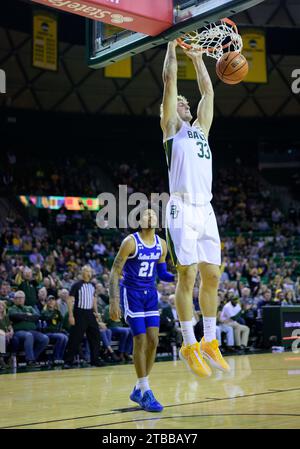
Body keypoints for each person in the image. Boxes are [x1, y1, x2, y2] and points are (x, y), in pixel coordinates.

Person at [160, 40, 230, 377]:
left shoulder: (201, 130)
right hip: (182, 209)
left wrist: (199, 59)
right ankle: (188, 343)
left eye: (187, 104)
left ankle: (210, 341)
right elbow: (170, 82)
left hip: (206, 209)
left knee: (212, 275)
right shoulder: (172, 130)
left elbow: (209, 94)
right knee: (186, 274)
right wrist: (172, 48)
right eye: (179, 104)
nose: (185, 104)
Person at [109, 208, 175, 412]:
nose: (149, 216)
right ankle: (145, 389)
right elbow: (115, 271)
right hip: (131, 293)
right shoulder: (130, 242)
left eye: (152, 214)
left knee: (154, 340)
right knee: (141, 339)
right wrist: (113, 301)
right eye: (145, 215)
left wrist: (178, 276)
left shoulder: (161, 244)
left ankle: (139, 388)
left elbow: (162, 273)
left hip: (150, 294)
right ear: (139, 221)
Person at [64, 265, 104, 368]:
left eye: (90, 272)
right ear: (82, 273)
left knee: (96, 336)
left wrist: (97, 314)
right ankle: (68, 361)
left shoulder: (92, 286)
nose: (89, 274)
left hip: (90, 313)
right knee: (75, 338)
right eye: (86, 271)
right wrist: (71, 315)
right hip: (79, 313)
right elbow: (70, 300)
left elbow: (94, 300)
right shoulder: (76, 285)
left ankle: (95, 359)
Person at [8, 291, 49, 367]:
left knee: (45, 338)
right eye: (18, 298)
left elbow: (37, 317)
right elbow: (15, 316)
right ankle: (30, 360)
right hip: (18, 332)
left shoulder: (29, 307)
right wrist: (28, 316)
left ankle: (33, 358)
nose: (20, 299)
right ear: (14, 299)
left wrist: (24, 317)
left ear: (24, 299)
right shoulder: (11, 308)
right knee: (28, 335)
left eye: (22, 298)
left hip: (32, 331)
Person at [41, 296, 68, 364]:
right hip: (47, 333)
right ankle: (55, 357)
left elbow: (62, 320)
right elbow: (48, 317)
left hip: (55, 332)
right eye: (49, 300)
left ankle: (60, 358)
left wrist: (57, 311)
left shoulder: (57, 311)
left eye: (53, 300)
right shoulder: (44, 311)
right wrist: (55, 311)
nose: (51, 302)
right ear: (47, 302)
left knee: (65, 337)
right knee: (61, 337)